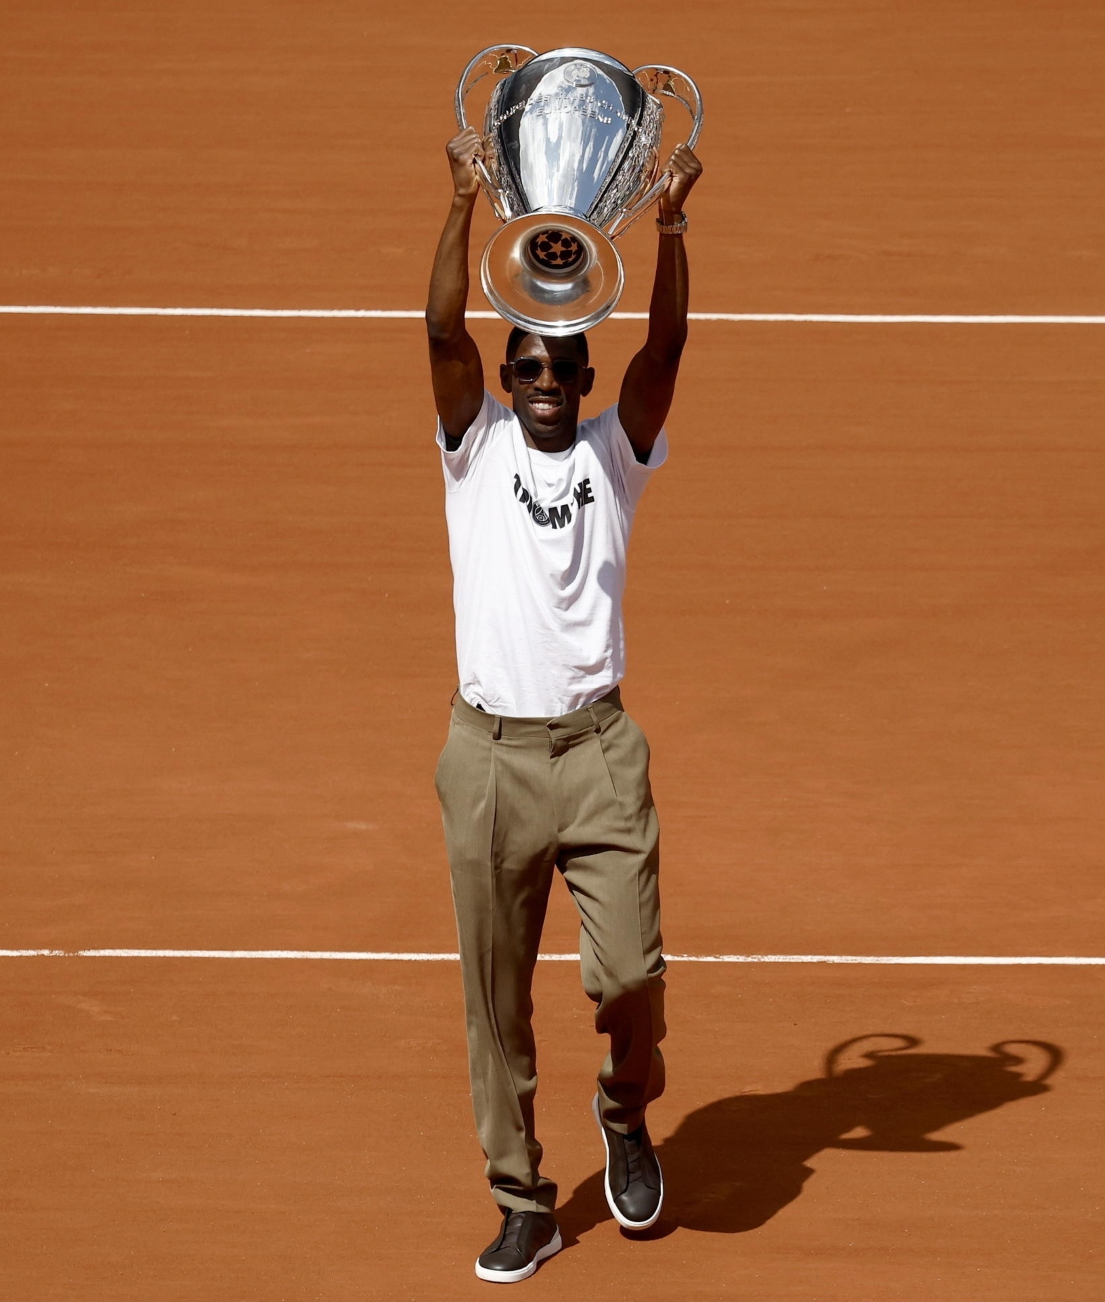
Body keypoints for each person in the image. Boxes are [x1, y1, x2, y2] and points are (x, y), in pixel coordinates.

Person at [424, 124, 702, 1285]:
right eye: (523, 363)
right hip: (486, 758)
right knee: (496, 1009)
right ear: (505, 378)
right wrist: (458, 212)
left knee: (630, 973)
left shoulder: (613, 456)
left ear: (584, 375)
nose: (541, 379)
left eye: (559, 363)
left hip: (596, 753)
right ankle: (521, 1200)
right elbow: (440, 328)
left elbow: (670, 347)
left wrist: (673, 227)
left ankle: (625, 1112)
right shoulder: (471, 447)